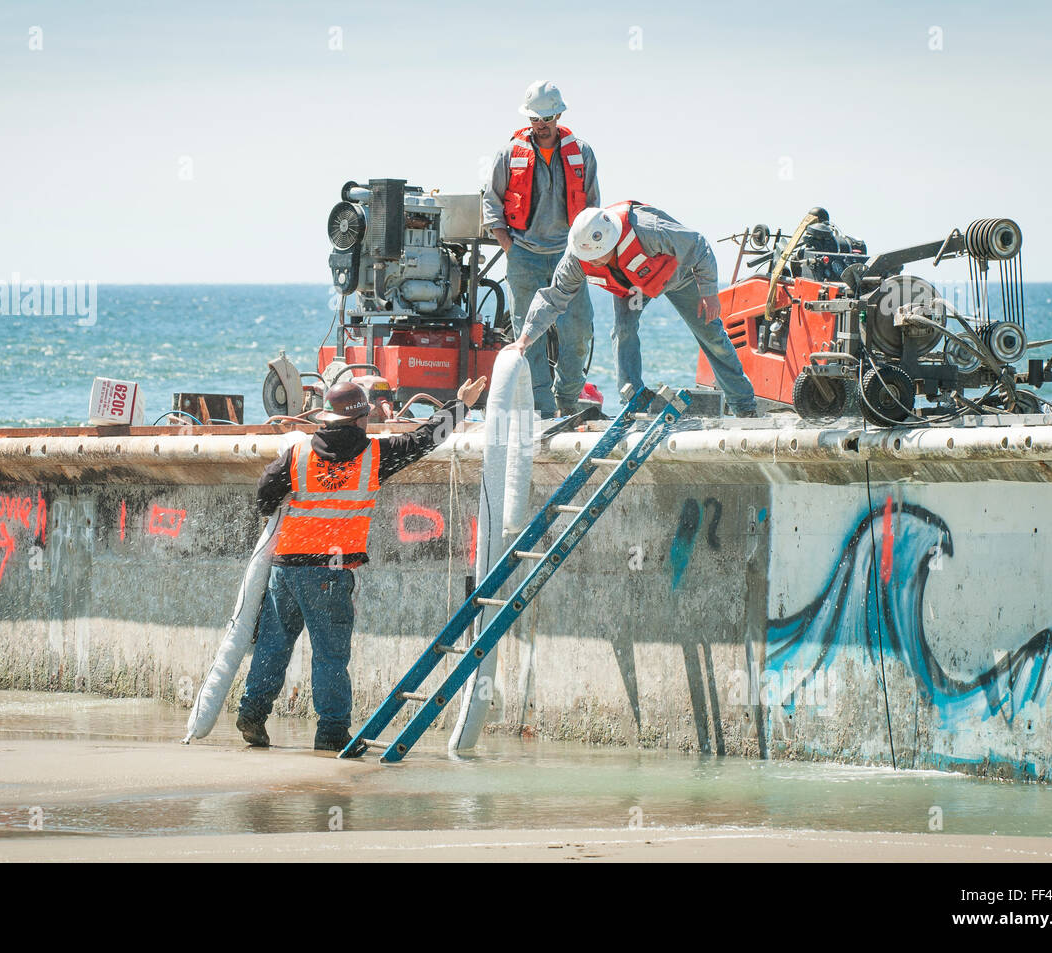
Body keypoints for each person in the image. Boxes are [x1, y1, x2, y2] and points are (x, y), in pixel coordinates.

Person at [236, 375, 488, 751]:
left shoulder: (299, 452)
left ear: (328, 418)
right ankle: (332, 732)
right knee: (330, 655)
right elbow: (423, 441)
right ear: (359, 420)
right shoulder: (375, 455)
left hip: (285, 567)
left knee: (274, 645)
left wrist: (271, 511)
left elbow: (265, 491)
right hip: (330, 573)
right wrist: (460, 406)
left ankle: (253, 713)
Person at [504, 201, 758, 416]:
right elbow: (552, 299)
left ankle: (744, 404)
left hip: (678, 277)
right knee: (623, 331)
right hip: (632, 288)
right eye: (588, 259)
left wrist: (709, 293)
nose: (592, 262)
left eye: (597, 257)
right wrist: (523, 341)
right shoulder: (576, 258)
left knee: (711, 334)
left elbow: (698, 245)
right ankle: (632, 400)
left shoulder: (648, 229)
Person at [482, 80, 600, 417]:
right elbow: (491, 203)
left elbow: (593, 208)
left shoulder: (583, 153)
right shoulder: (508, 154)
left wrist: (587, 252)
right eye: (536, 119)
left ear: (559, 114)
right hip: (524, 257)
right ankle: (543, 409)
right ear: (528, 119)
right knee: (527, 335)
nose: (542, 125)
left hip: (571, 257)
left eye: (548, 118)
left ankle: (568, 398)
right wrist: (510, 248)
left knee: (578, 330)